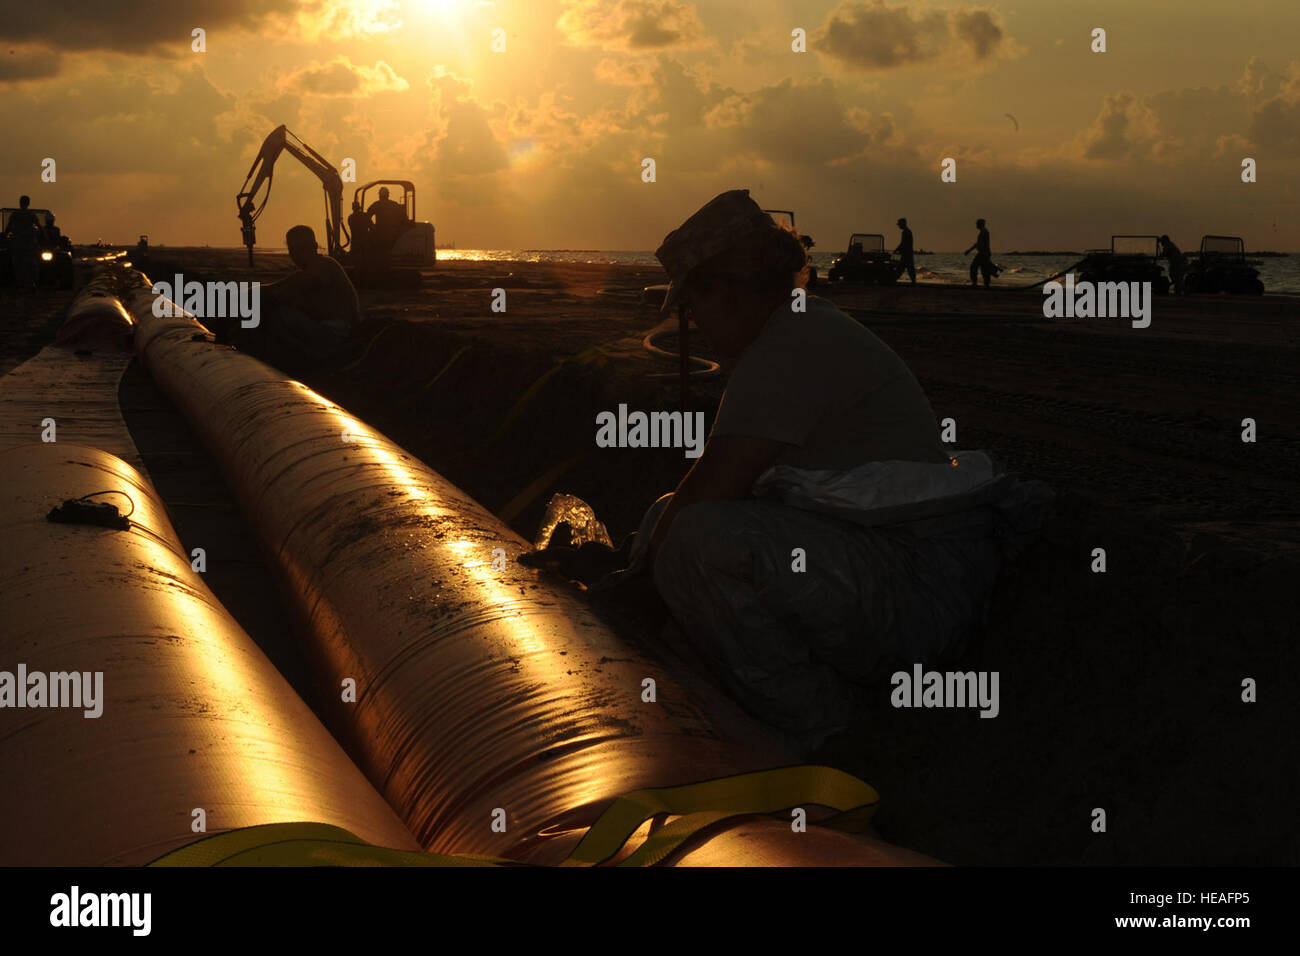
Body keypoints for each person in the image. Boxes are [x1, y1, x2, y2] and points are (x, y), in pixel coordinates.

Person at [563, 189, 1050, 754]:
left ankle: (829, 736)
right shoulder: (797, 330)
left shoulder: (790, 349)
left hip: (920, 588)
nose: (692, 322)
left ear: (726, 287)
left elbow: (713, 486)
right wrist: (633, 558)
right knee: (662, 521)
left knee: (696, 542)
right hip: (890, 563)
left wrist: (632, 584)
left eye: (692, 304)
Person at [245, 225, 362, 362]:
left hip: (337, 335)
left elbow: (283, 289)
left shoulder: (323, 265)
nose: (296, 254)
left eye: (301, 248)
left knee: (279, 315)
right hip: (327, 331)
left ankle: (307, 359)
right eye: (292, 249)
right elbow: (277, 286)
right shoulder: (307, 272)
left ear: (314, 246)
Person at [4, 195, 42, 290]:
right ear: (28, 203)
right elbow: (39, 226)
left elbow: (8, 227)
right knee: (31, 263)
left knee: (18, 264)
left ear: (20, 203)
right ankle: (32, 283)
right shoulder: (31, 215)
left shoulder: (15, 214)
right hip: (29, 243)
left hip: (17, 243)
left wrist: (4, 236)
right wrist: (44, 236)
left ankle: (20, 283)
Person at [366, 186, 406, 254]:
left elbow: (367, 217)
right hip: (392, 235)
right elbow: (403, 217)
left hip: (380, 234)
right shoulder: (394, 205)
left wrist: (372, 227)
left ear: (380, 195)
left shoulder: (377, 205)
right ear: (388, 195)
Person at [964, 218, 999, 287]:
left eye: (977, 224)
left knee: (975, 267)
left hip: (983, 253)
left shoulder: (984, 232)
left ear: (981, 224)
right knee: (984, 269)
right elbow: (978, 243)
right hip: (983, 253)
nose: (976, 225)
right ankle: (985, 283)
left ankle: (976, 283)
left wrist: (969, 250)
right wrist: (969, 250)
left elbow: (978, 243)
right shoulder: (983, 232)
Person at [895, 217, 916, 284]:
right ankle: (913, 282)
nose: (899, 226)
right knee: (905, 268)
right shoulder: (908, 231)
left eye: (899, 224)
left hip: (906, 254)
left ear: (903, 223)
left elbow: (903, 243)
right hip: (907, 253)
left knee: (903, 268)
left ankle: (893, 280)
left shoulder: (906, 232)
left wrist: (896, 249)